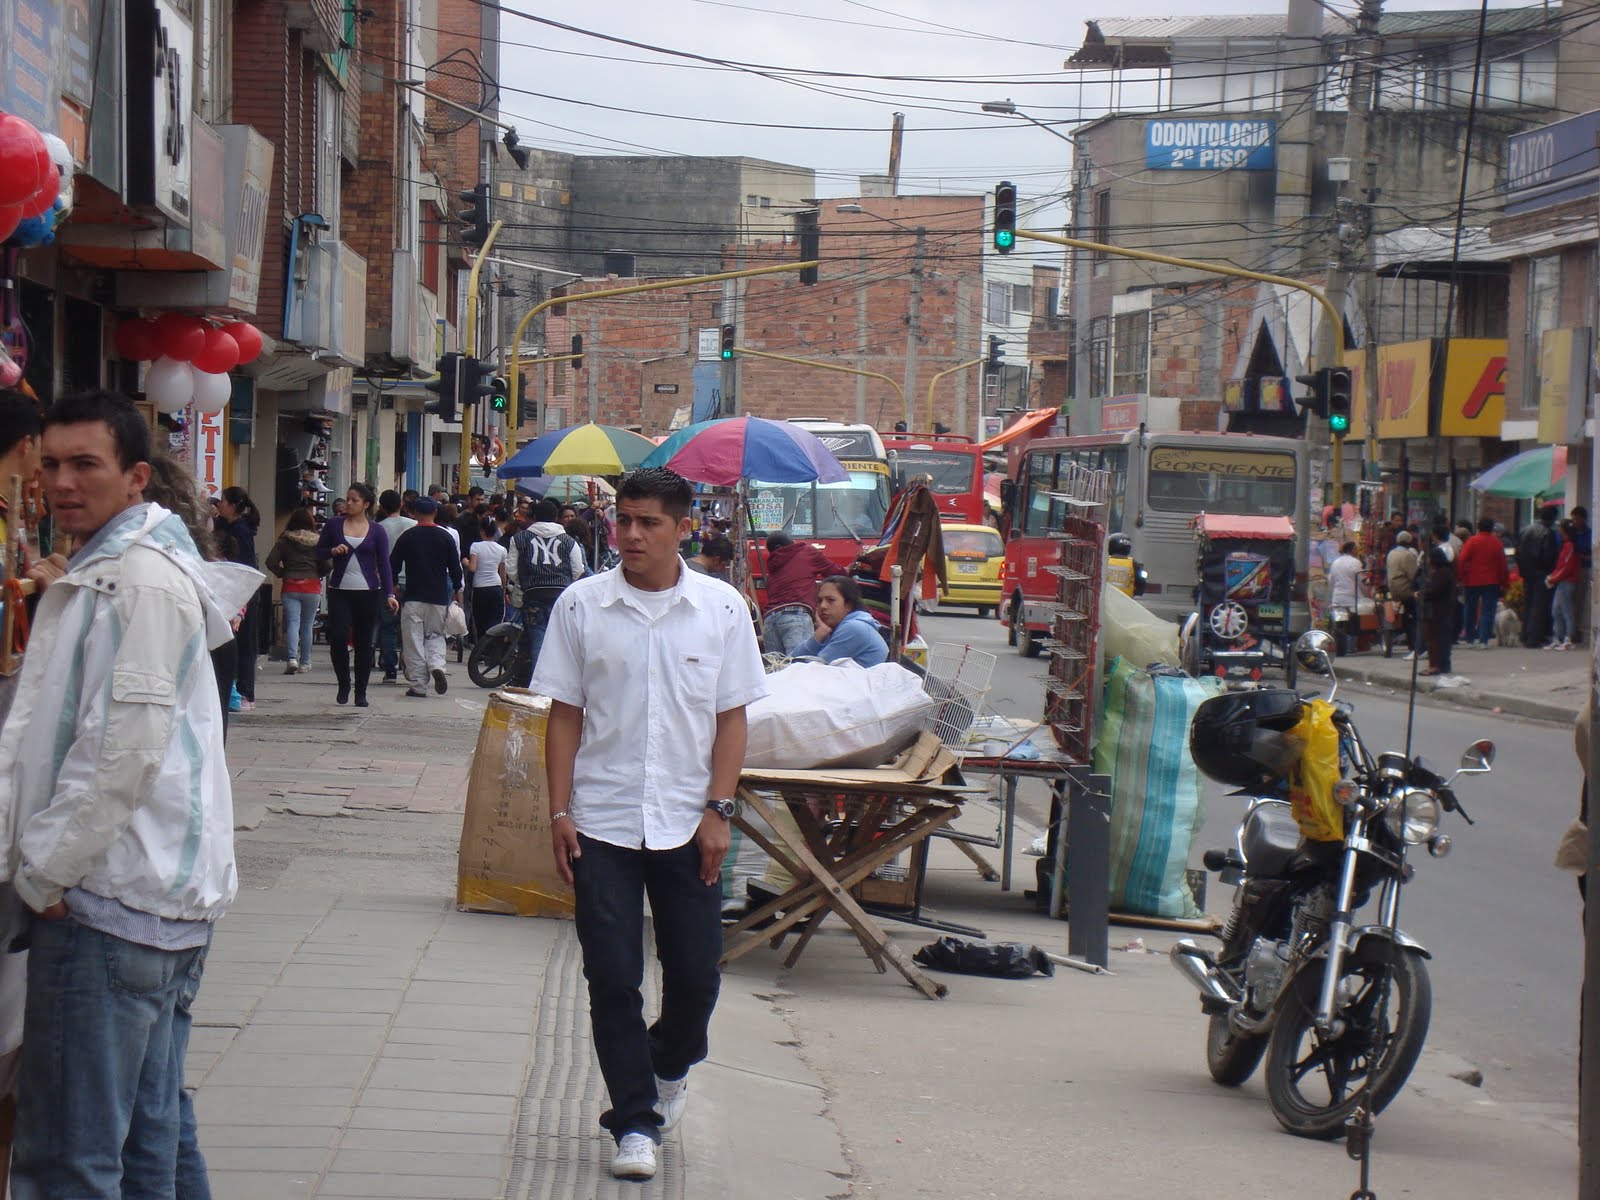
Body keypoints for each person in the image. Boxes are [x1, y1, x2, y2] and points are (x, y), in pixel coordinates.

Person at [0, 389, 258, 1198]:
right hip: (149, 900)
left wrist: (44, 871)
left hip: (109, 901)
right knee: (151, 1144)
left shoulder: (136, 580)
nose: (63, 483)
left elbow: (123, 750)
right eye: (51, 465)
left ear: (136, 475)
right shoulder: (111, 572)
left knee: (67, 1157)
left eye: (86, 465)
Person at [531, 468, 767, 1181]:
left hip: (688, 823)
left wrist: (720, 811)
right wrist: (559, 810)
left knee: (696, 975)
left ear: (682, 527)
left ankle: (669, 1067)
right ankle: (634, 1122)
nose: (631, 535)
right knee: (612, 977)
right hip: (601, 821)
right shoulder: (581, 607)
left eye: (648, 523)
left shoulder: (721, 611)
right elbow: (564, 714)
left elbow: (732, 718)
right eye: (623, 521)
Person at [315, 482, 398, 707]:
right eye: (348, 499)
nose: (348, 504)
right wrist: (332, 551)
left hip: (368, 592)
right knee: (339, 638)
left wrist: (390, 593)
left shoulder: (377, 530)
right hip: (340, 590)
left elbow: (384, 564)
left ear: (366, 504)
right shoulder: (333, 525)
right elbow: (318, 551)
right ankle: (344, 683)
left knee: (364, 643)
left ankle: (361, 691)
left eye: (354, 500)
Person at [389, 496, 462, 697]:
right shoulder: (445, 536)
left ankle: (419, 685)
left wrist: (393, 585)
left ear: (415, 513)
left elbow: (392, 563)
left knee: (413, 640)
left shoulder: (408, 536)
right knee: (435, 635)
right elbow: (456, 568)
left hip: (413, 596)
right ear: (435, 513)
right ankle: (437, 665)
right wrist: (457, 588)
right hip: (438, 596)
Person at [514, 498, 586, 681]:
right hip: (561, 596)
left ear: (535, 516)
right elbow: (578, 569)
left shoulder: (520, 538)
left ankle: (539, 683)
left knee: (538, 638)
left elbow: (510, 567)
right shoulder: (569, 541)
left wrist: (523, 583)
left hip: (533, 594)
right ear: (556, 517)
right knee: (562, 641)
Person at [214, 486, 263, 710]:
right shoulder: (231, 526)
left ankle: (245, 692)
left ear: (233, 505)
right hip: (235, 591)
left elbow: (244, 565)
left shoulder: (241, 530)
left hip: (243, 592)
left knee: (244, 645)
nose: (219, 504)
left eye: (222, 500)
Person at [264, 507, 325, 674]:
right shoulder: (317, 541)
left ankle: (292, 658)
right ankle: (305, 662)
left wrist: (283, 573)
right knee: (307, 625)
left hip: (290, 584)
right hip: (311, 586)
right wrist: (317, 573)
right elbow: (328, 564)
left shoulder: (285, 540)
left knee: (292, 622)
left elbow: (270, 562)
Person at [761, 531, 836, 656]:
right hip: (795, 614)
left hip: (770, 620)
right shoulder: (806, 552)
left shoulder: (773, 567)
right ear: (791, 543)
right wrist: (848, 571)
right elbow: (834, 572)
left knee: (776, 669)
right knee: (799, 666)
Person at [791, 576, 889, 667]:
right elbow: (790, 660)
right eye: (820, 600)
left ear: (848, 605)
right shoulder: (834, 629)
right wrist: (818, 636)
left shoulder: (854, 628)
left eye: (831, 600)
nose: (823, 606)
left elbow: (818, 667)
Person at [375, 490, 415, 683]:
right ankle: (409, 661)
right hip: (412, 581)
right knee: (410, 626)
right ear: (401, 504)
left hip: (387, 581)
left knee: (388, 626)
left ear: (381, 507)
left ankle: (390, 669)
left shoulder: (377, 528)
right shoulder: (414, 526)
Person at [1457, 516, 1509, 649]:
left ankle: (1470, 638)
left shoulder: (1472, 541)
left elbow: (1462, 559)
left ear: (1478, 527)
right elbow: (1503, 564)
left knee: (1470, 610)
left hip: (1472, 580)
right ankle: (1483, 639)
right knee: (1488, 611)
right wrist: (1504, 582)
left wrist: (1460, 576)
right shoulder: (1497, 543)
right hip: (1492, 581)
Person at [1517, 505, 1561, 648]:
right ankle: (1534, 638)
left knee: (1529, 603)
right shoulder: (1547, 533)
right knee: (1539, 606)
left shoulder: (1525, 530)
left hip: (1527, 572)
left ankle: (1525, 635)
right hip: (1541, 572)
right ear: (1552, 519)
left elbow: (1518, 551)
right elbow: (1549, 555)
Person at [466, 516, 509, 639]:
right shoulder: (502, 549)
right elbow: (503, 572)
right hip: (496, 586)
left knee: (480, 621)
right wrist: (504, 588)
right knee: (495, 621)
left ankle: (481, 649)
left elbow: (473, 568)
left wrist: (465, 562)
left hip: (480, 587)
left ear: (482, 531)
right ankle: (492, 648)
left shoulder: (475, 546)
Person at [1421, 540, 1457, 676]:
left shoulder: (1442, 573)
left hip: (1438, 612)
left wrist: (1422, 593)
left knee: (1436, 640)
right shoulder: (1443, 572)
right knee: (1439, 639)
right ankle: (1441, 665)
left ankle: (1436, 666)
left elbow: (1434, 591)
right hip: (1440, 611)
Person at [1548, 519, 1582, 650]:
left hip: (1567, 581)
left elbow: (1566, 567)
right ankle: (1558, 637)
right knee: (1556, 610)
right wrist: (1554, 577)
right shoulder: (1567, 545)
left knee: (1566, 610)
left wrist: (1554, 578)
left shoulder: (1570, 546)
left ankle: (1568, 637)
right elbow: (1561, 566)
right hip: (1562, 581)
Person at [1384, 530, 1420, 655]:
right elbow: (1413, 575)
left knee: (1407, 615)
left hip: (1393, 589)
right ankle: (1413, 644)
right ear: (1409, 542)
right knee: (1413, 616)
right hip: (1405, 590)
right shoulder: (1407, 555)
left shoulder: (1391, 554)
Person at [1327, 541, 1363, 655]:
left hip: (1337, 597)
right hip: (1351, 598)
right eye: (1356, 549)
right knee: (1352, 622)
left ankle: (1341, 648)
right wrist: (1366, 593)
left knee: (1339, 624)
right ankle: (1351, 647)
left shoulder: (1335, 563)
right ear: (1352, 550)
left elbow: (1331, 581)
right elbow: (1361, 580)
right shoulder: (1355, 562)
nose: (1357, 551)